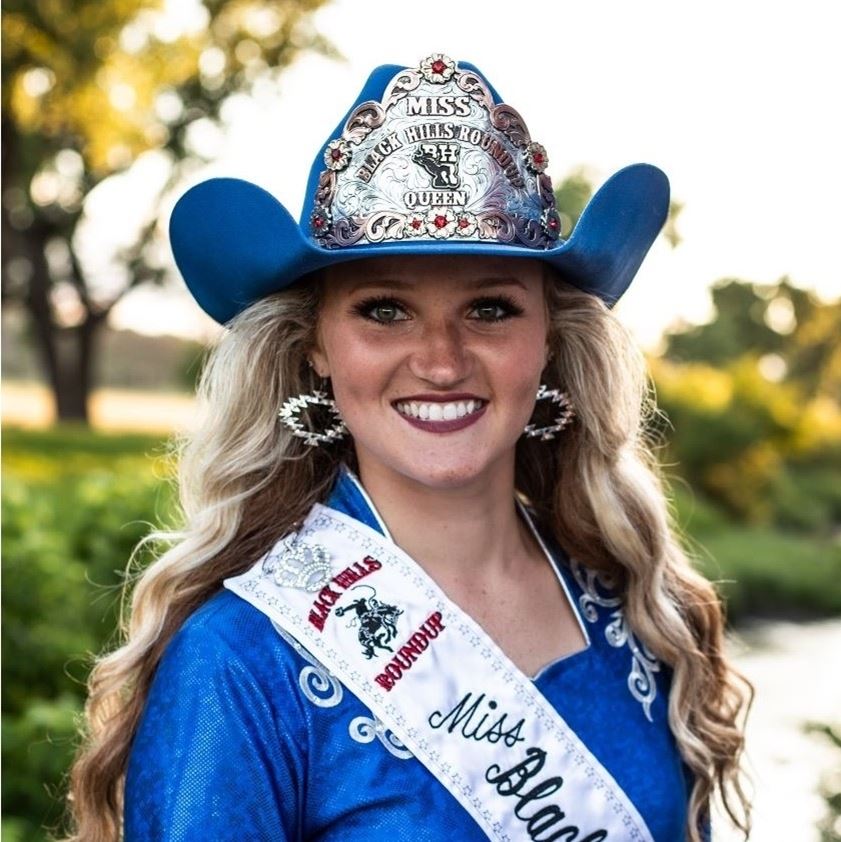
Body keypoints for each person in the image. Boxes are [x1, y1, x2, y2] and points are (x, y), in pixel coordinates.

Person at [65, 54, 751, 841]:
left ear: (549, 343)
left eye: (490, 309)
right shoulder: (241, 661)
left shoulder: (637, 608)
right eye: (384, 310)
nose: (440, 360)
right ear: (315, 346)